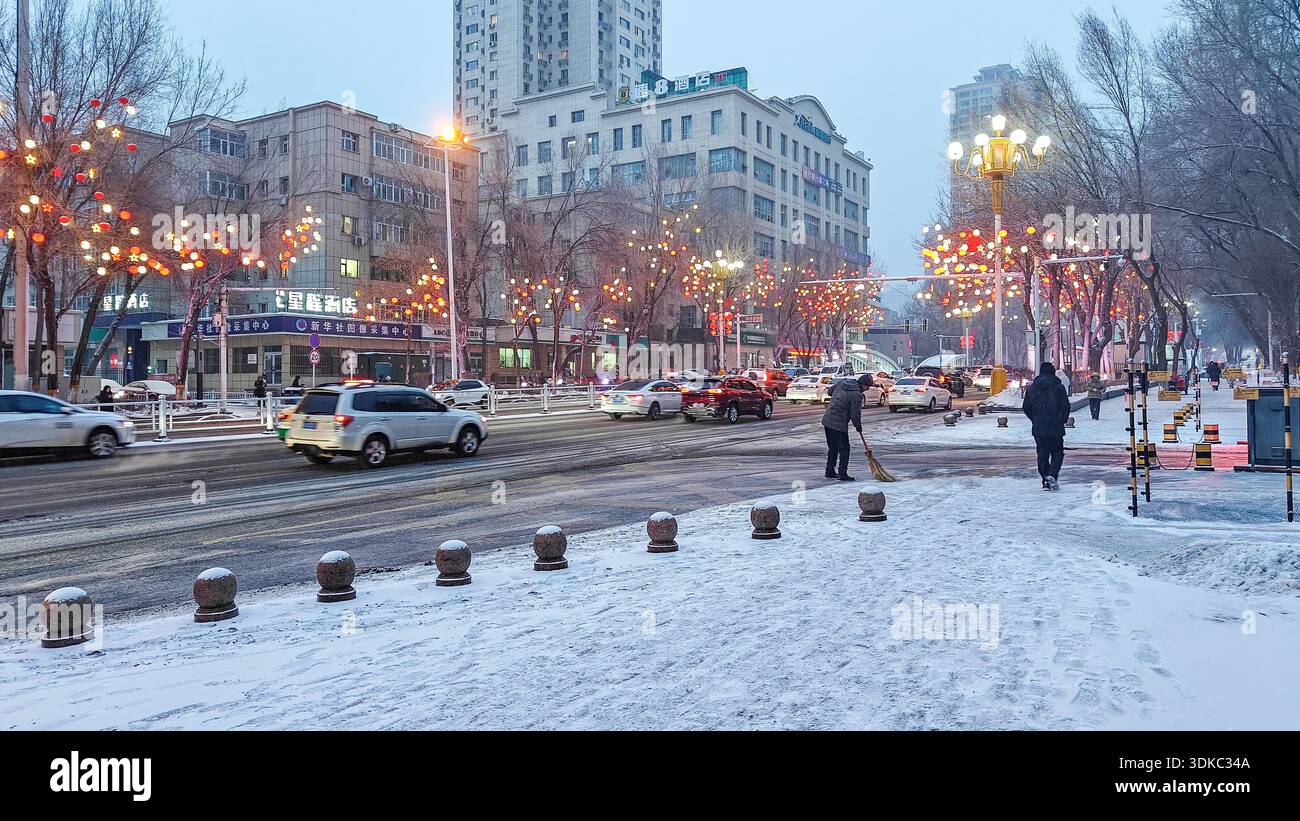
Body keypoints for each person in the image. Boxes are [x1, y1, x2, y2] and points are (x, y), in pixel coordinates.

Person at [1023, 362, 1071, 491]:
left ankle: (1045, 478)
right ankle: (1052, 475)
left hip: (1039, 427)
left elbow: (1026, 407)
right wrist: (1062, 420)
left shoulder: (1032, 388)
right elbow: (1065, 406)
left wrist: (1035, 419)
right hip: (1056, 426)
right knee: (1057, 453)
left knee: (1042, 454)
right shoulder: (1059, 387)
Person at [821, 375, 869, 482]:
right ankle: (842, 473)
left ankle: (829, 471)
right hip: (839, 423)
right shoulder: (856, 395)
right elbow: (855, 414)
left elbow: (829, 392)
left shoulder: (843, 382)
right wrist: (858, 426)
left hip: (827, 419)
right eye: (868, 387)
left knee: (833, 447)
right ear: (863, 385)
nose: (868, 389)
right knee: (845, 449)